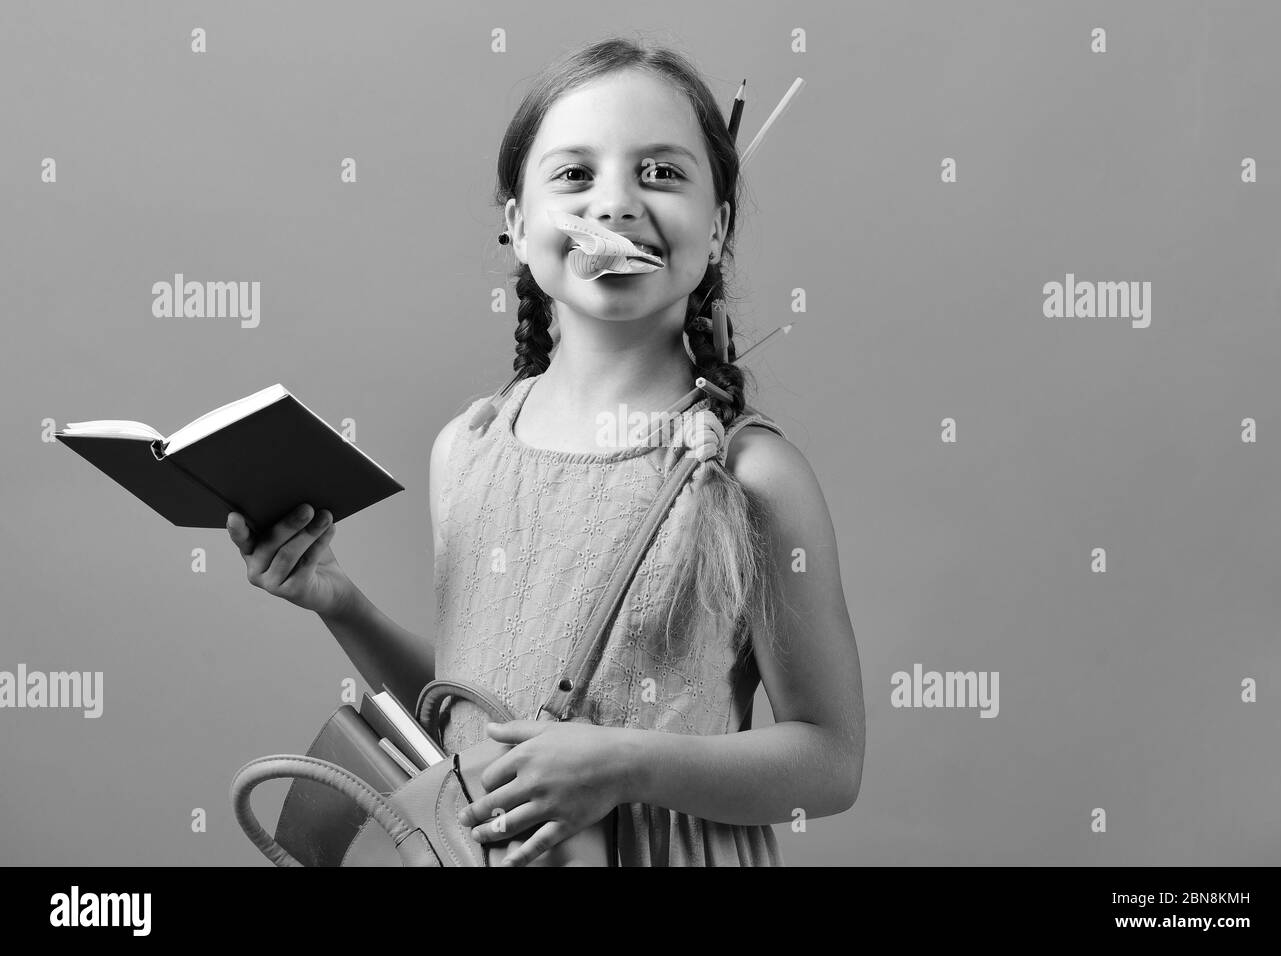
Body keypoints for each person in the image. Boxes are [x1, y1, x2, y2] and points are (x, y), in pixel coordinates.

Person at [226, 36, 864, 867]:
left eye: (662, 174)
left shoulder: (753, 478)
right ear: (519, 228)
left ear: (718, 231)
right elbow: (481, 720)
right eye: (574, 175)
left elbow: (831, 762)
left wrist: (626, 764)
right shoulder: (468, 449)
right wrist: (340, 602)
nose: (617, 204)